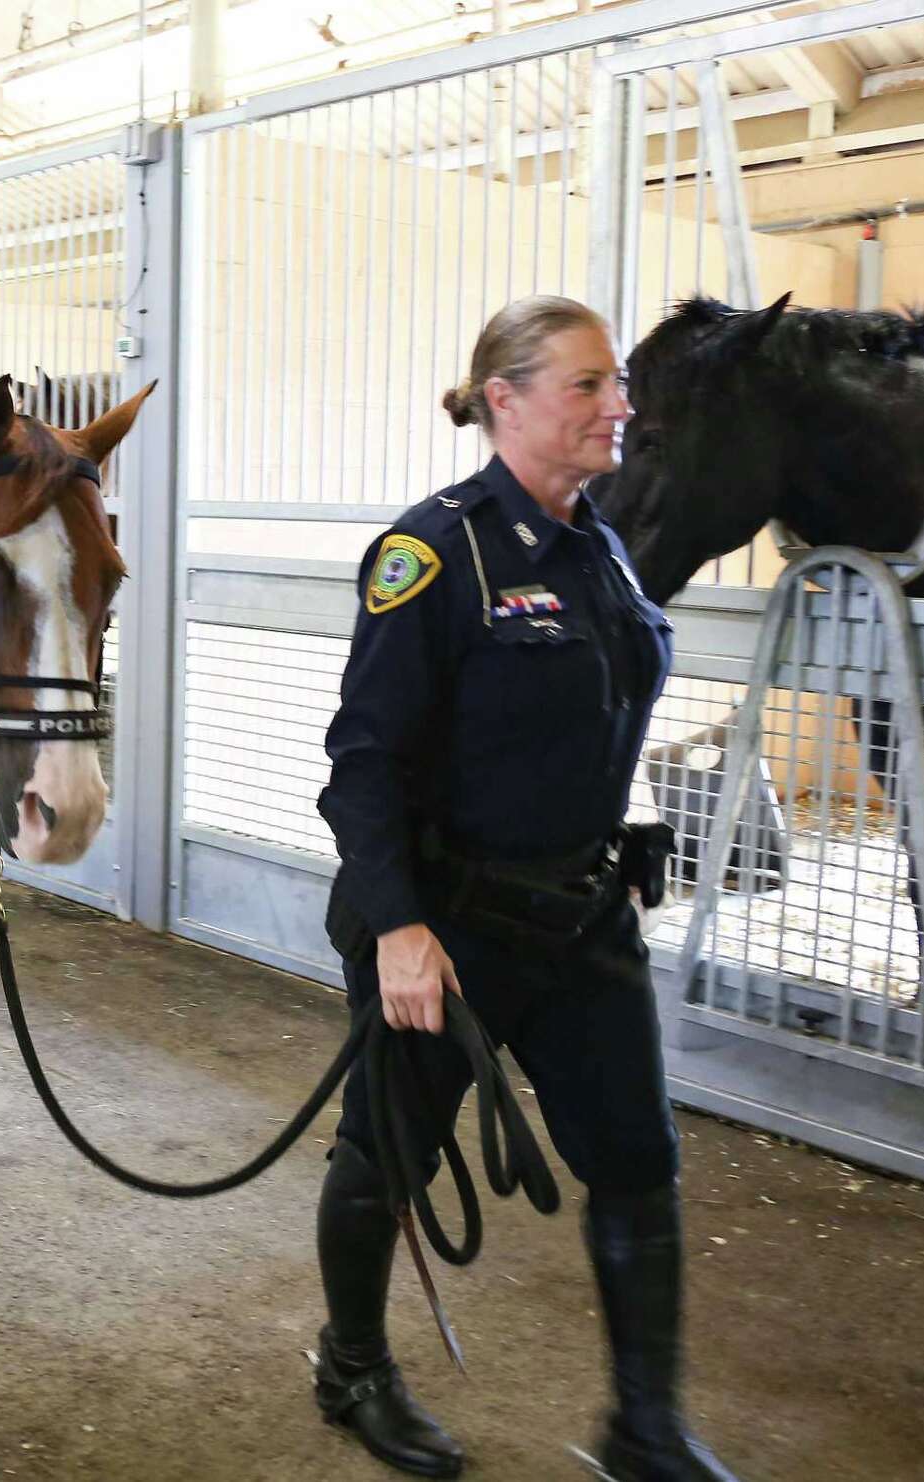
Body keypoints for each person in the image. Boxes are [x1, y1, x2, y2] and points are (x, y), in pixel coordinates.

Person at [311, 296, 739, 1482]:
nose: (621, 406)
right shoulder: (435, 550)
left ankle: (645, 1430)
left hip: (582, 919)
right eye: (591, 385)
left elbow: (580, 720)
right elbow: (363, 764)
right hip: (448, 928)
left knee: (638, 1159)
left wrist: (619, 826)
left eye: (619, 385)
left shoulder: (599, 542)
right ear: (506, 400)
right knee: (386, 1157)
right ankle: (350, 1367)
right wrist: (398, 925)